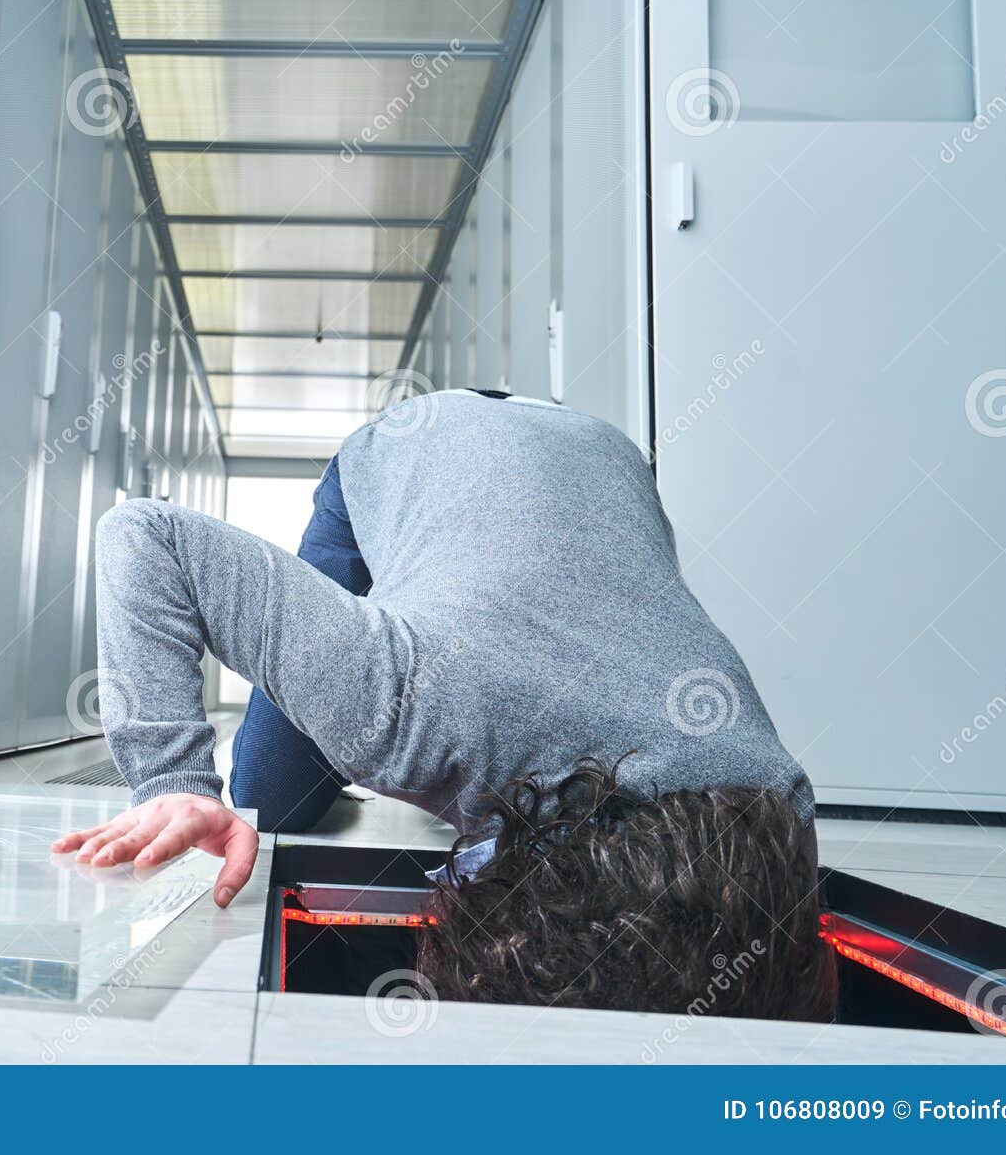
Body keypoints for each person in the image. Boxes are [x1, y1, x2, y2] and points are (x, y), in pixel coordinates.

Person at [52, 388, 834, 1020]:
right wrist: (173, 783)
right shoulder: (402, 705)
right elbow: (144, 536)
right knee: (269, 802)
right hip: (430, 438)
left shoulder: (776, 806)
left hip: (605, 452)